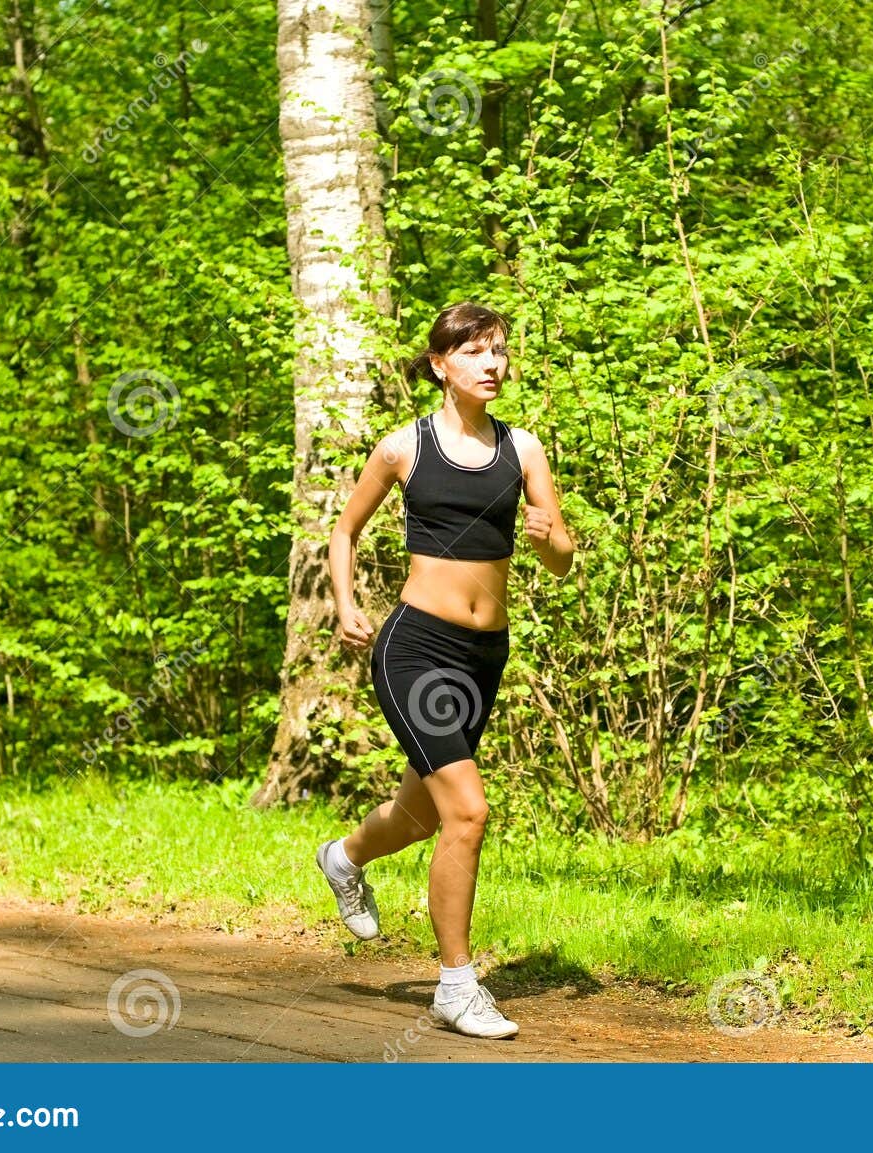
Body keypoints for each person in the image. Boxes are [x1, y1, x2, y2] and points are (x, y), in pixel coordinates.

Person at [314, 301, 575, 1040]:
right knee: (468, 810)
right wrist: (344, 603)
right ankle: (457, 985)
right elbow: (344, 530)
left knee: (424, 813)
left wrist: (550, 535)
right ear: (440, 365)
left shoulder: (524, 449)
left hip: (484, 657)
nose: (492, 364)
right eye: (475, 352)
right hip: (416, 648)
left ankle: (344, 854)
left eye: (499, 352)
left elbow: (560, 560)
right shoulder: (405, 448)